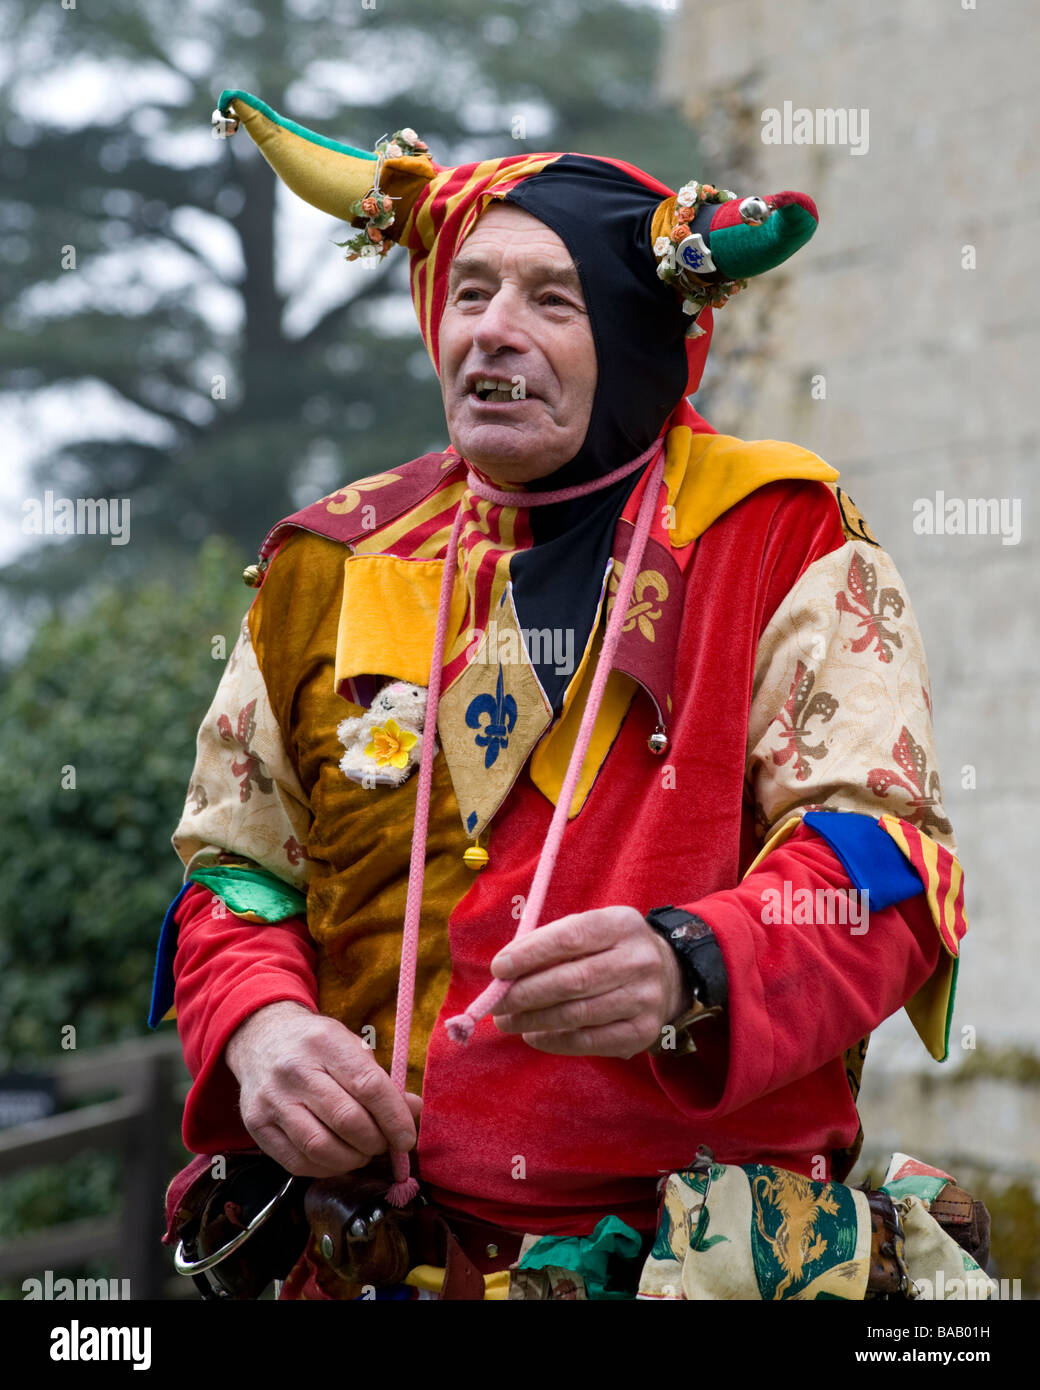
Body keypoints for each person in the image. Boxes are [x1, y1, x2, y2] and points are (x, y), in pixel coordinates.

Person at [151, 90, 968, 1300]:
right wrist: (260, 1026)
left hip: (681, 1267)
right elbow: (233, 874)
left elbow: (887, 868)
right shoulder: (324, 558)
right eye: (468, 291)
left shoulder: (778, 533)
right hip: (356, 1261)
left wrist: (694, 962)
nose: (492, 330)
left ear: (639, 333)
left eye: (551, 297)